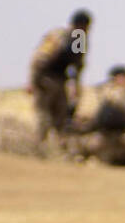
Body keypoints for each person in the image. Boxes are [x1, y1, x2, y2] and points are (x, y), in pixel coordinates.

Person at [69, 66, 125, 166]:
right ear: (113, 78)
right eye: (120, 77)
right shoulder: (100, 93)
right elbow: (85, 115)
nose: (123, 80)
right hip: (102, 135)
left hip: (121, 135)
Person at [28, 9, 92, 147]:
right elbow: (39, 59)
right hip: (45, 78)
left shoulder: (80, 40)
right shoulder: (59, 35)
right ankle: (38, 147)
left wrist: (76, 88)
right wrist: (32, 82)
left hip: (60, 80)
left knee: (61, 117)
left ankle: (58, 149)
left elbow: (77, 66)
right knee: (43, 117)